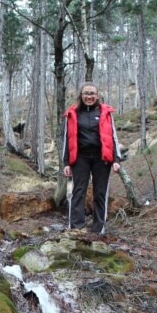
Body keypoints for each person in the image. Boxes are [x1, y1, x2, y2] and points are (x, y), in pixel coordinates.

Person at [63, 82, 123, 234]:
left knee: (100, 192)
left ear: (97, 96)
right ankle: (76, 228)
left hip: (101, 158)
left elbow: (113, 137)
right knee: (78, 191)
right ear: (81, 96)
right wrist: (66, 163)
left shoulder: (105, 113)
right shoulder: (73, 113)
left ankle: (98, 230)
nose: (89, 96)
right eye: (86, 93)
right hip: (80, 158)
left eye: (92, 94)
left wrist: (116, 160)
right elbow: (67, 139)